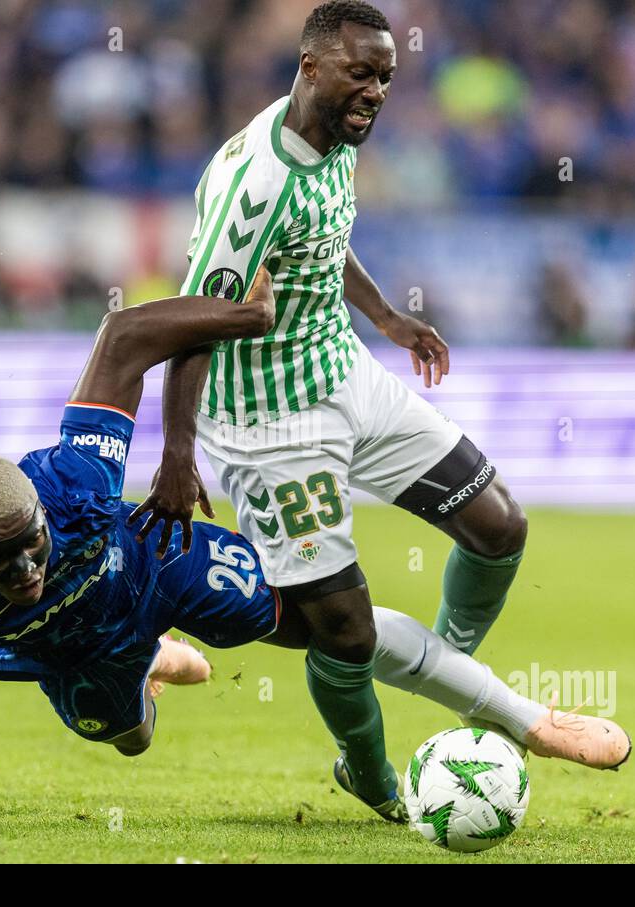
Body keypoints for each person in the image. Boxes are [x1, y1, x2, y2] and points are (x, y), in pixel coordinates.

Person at [0, 267, 630, 825]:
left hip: (158, 558)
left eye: (32, 547)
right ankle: (148, 664)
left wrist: (185, 434)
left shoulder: (70, 481)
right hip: (72, 650)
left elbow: (126, 335)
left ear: (42, 519)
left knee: (341, 628)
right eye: (0, 563)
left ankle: (528, 720)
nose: (25, 568)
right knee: (130, 739)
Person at [133, 0, 536, 811]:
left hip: (345, 375)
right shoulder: (255, 185)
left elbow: (323, 237)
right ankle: (374, 776)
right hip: (268, 425)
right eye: (362, 72)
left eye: (386, 76)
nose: (377, 91)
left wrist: (384, 314)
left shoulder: (337, 134)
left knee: (498, 524)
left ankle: (437, 673)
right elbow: (192, 320)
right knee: (344, 630)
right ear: (310, 66)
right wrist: (177, 456)